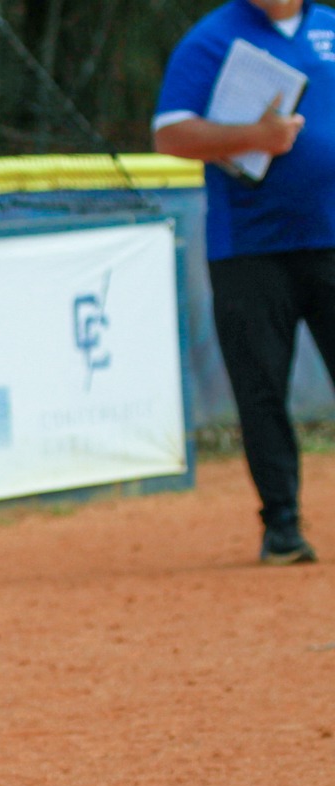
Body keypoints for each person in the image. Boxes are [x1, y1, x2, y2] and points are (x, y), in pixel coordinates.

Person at [155, 0, 335, 565]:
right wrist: (253, 135)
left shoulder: (330, 26)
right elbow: (170, 133)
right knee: (261, 393)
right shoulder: (212, 38)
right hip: (251, 251)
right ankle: (281, 525)